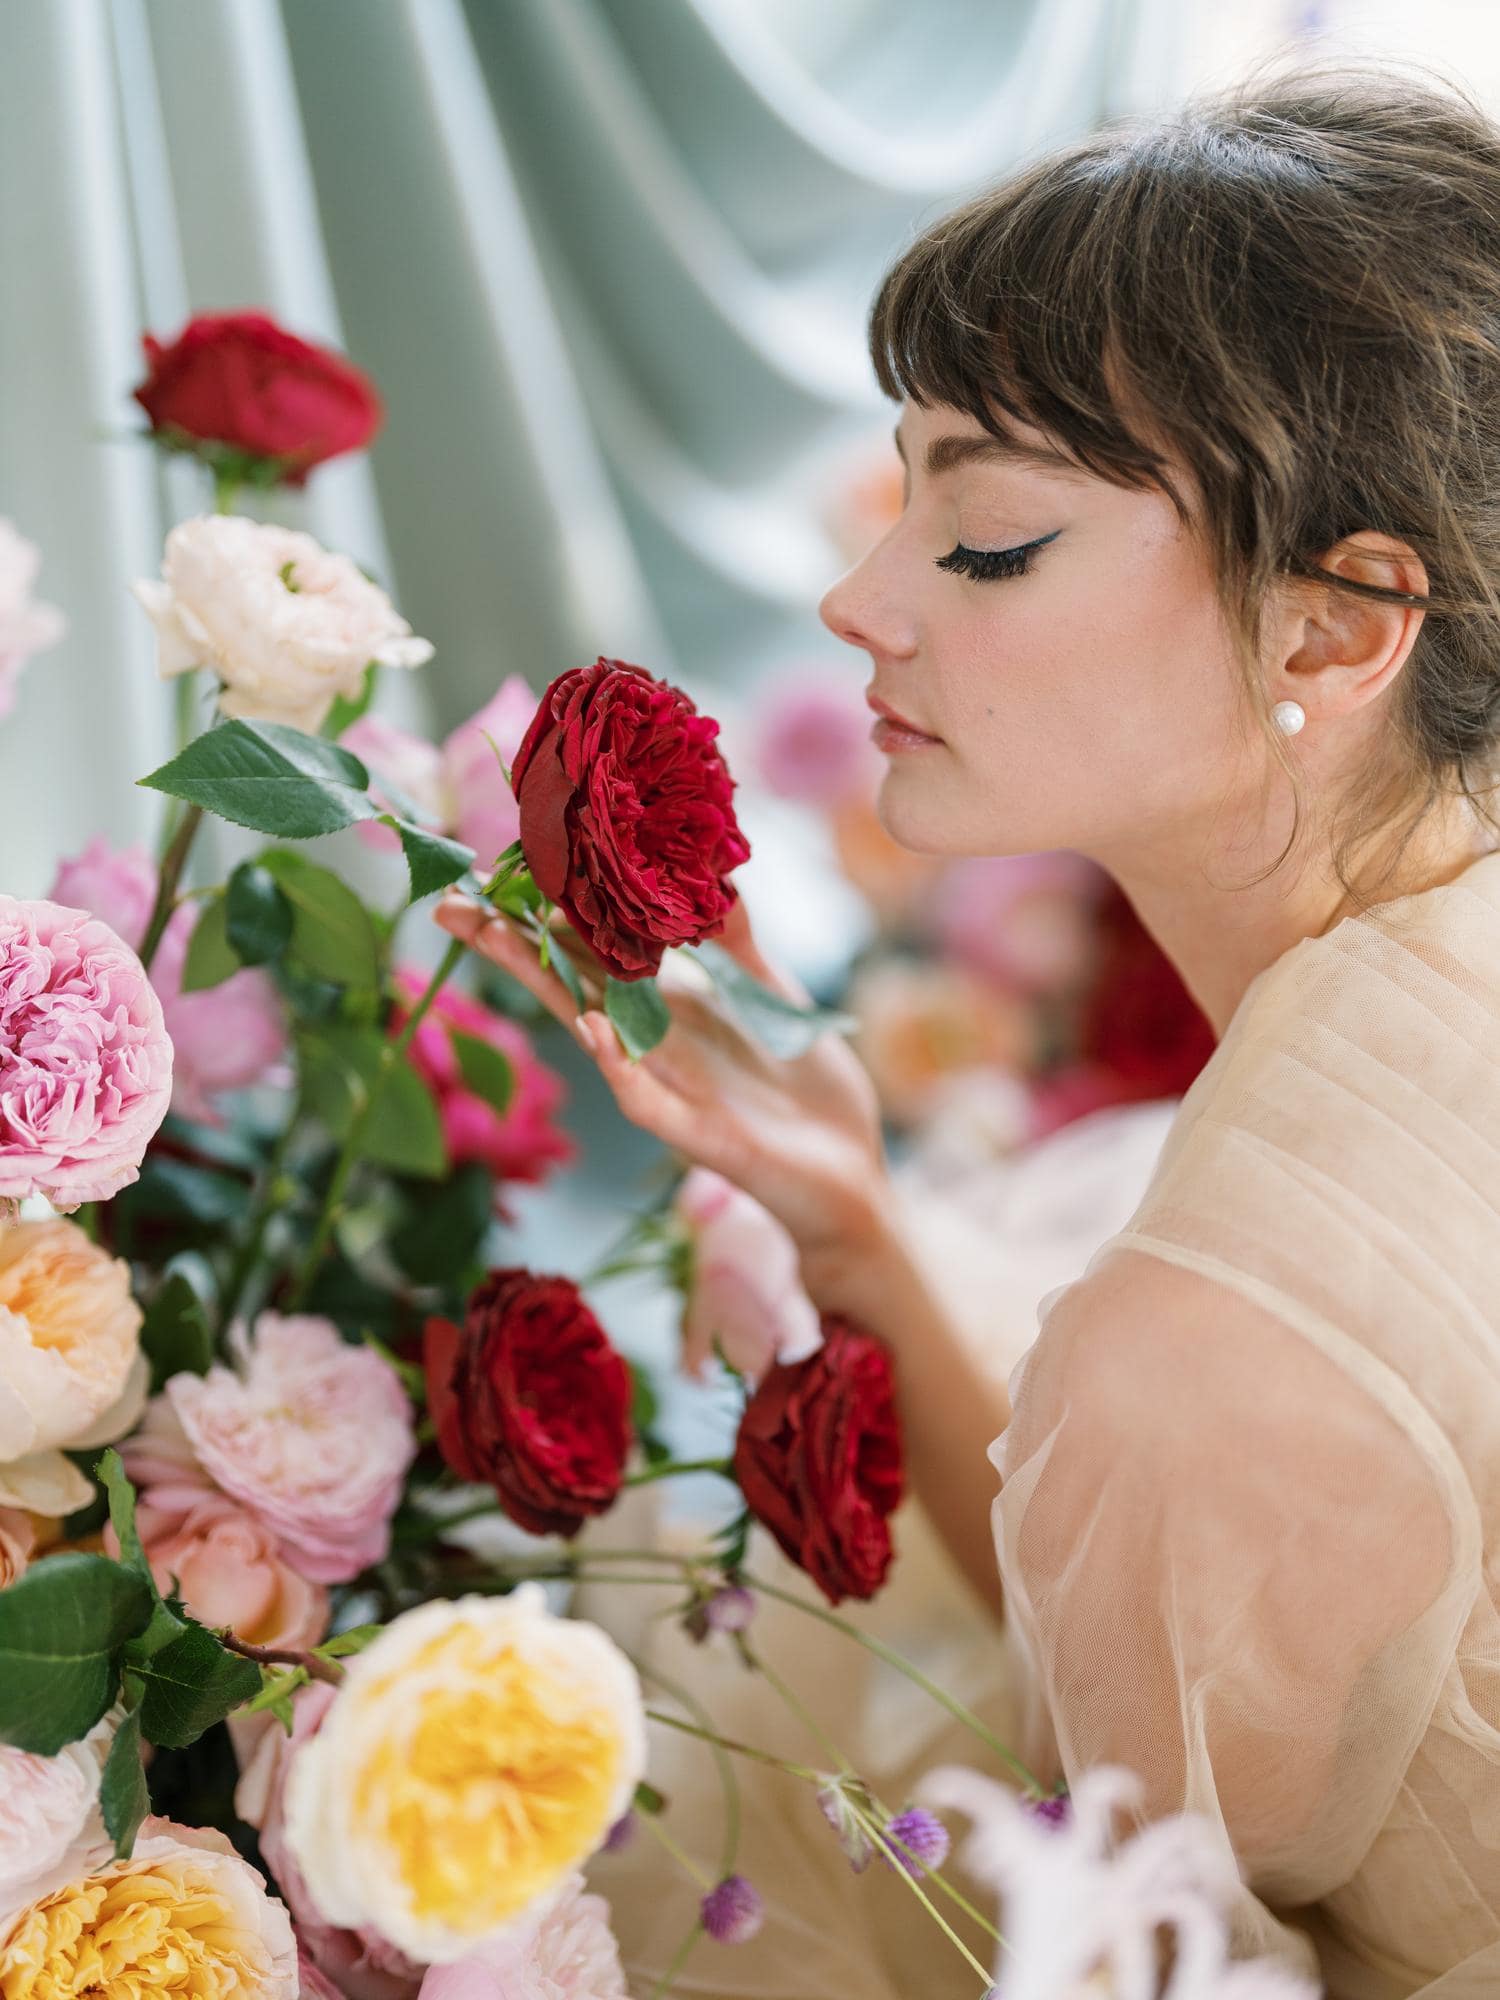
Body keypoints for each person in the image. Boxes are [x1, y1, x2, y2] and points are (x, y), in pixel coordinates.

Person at [437, 60, 1500, 2000]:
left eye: (987, 540)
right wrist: (850, 1216)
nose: (857, 600)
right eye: (899, 485)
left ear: (1340, 629)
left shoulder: (1220, 1339)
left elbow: (1159, 1933)